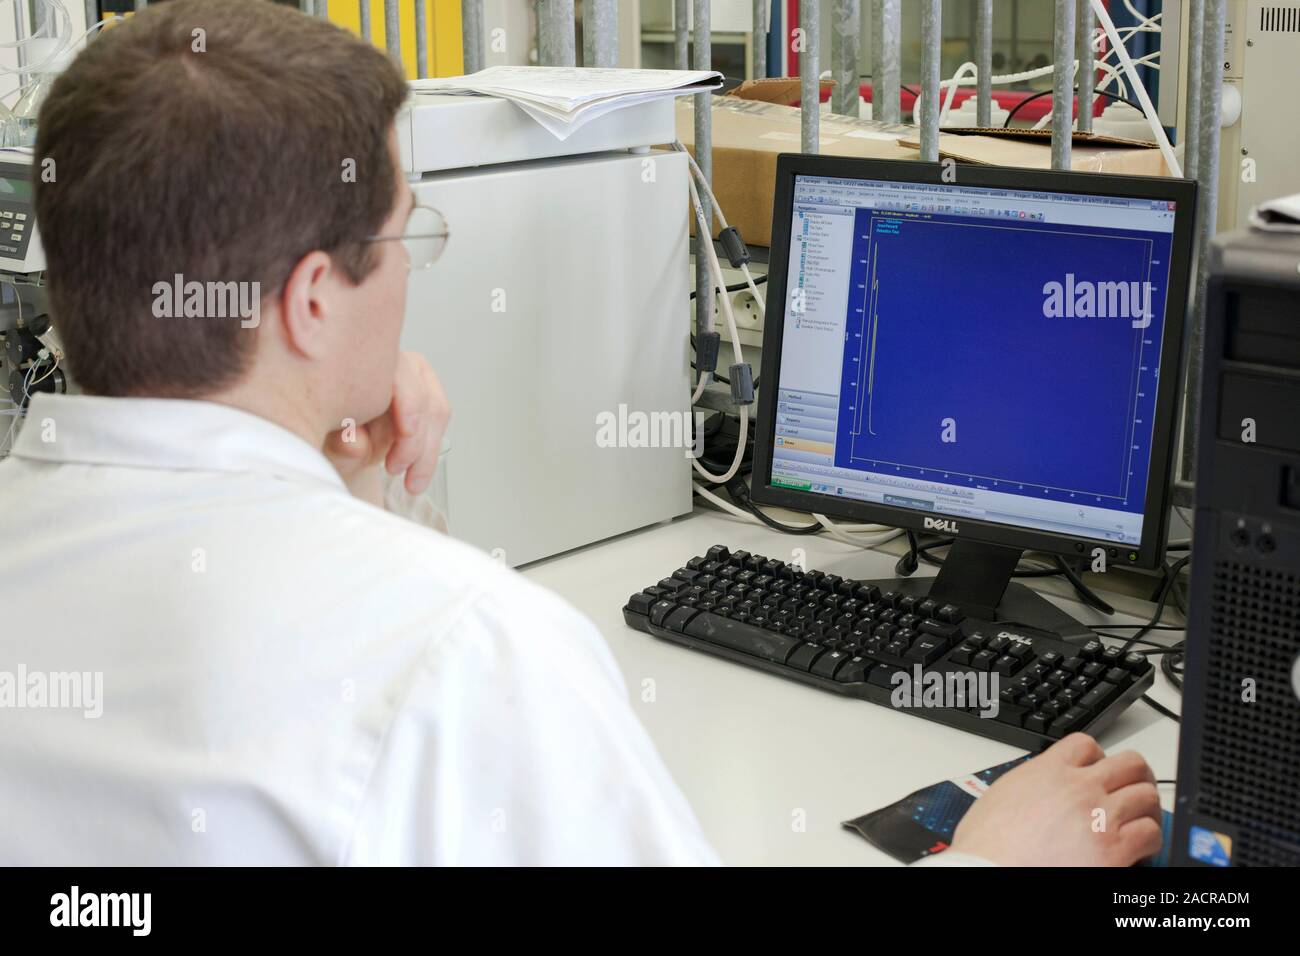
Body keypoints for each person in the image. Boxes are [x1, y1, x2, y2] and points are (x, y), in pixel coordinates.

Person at [0, 0, 1162, 867]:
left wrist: (333, 460)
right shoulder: (466, 648)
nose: (414, 277)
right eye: (409, 237)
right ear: (310, 302)